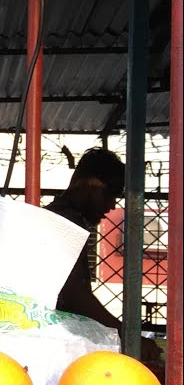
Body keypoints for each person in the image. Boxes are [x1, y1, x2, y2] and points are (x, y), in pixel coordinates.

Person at [44, 148, 159, 363]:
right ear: (87, 184)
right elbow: (74, 294)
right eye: (109, 193)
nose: (111, 206)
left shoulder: (60, 216)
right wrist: (127, 336)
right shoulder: (67, 221)